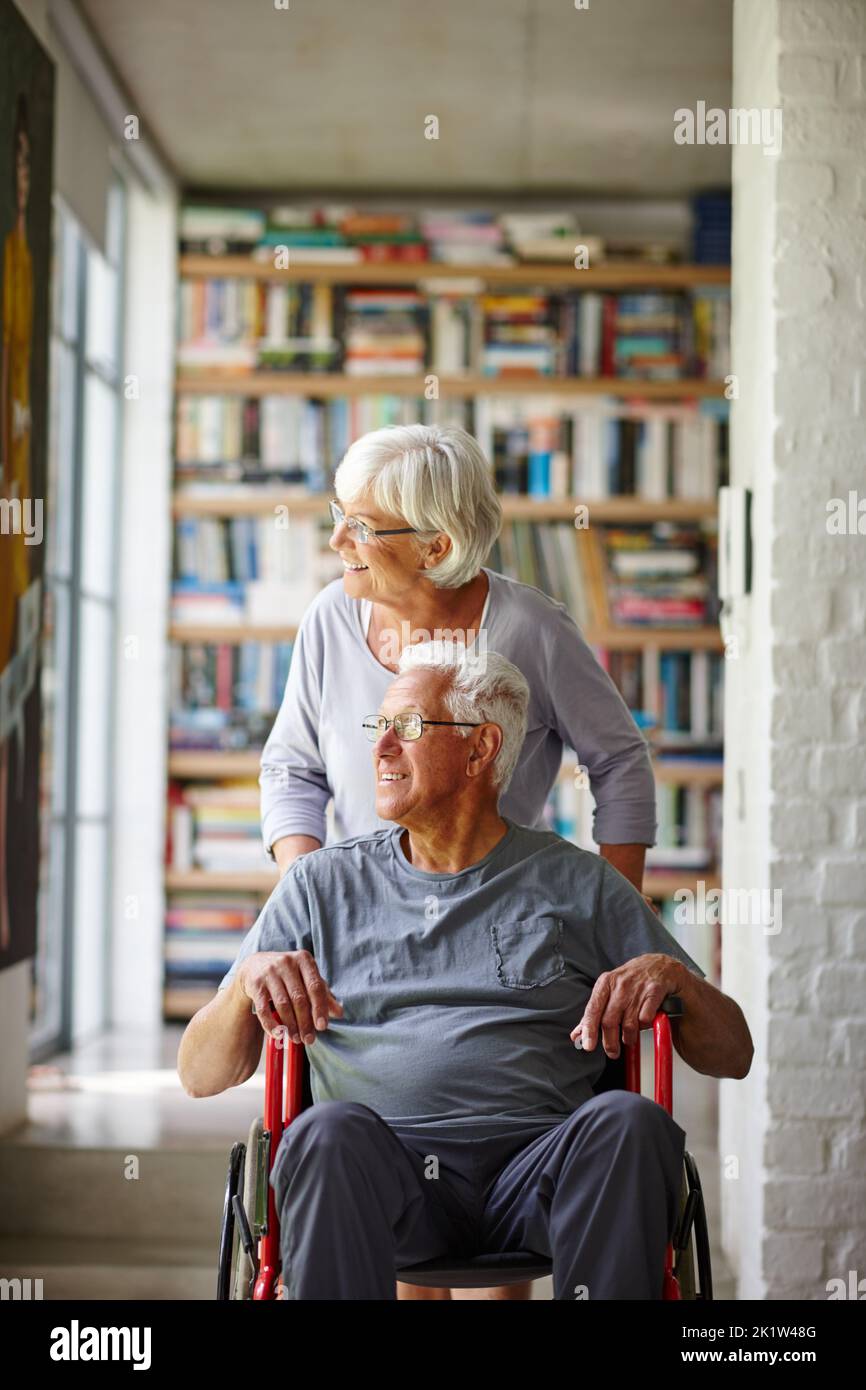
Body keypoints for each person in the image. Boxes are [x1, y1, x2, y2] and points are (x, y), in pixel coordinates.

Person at [179, 643, 753, 1301]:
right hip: (385, 1181)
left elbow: (733, 1054)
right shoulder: (320, 887)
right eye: (379, 727)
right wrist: (248, 978)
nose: (382, 748)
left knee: (630, 1122)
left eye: (410, 727)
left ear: (481, 750)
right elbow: (199, 1074)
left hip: (541, 1179)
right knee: (324, 1133)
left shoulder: (578, 884)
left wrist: (674, 978)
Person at [259, 423, 658, 1299]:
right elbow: (292, 767)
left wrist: (610, 917)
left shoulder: (528, 627)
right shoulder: (334, 616)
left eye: (360, 525)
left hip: (504, 916)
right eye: (339, 516)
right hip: (362, 922)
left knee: (496, 1110)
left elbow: (620, 762)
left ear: (436, 546)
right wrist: (309, 894)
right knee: (385, 1125)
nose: (337, 541)